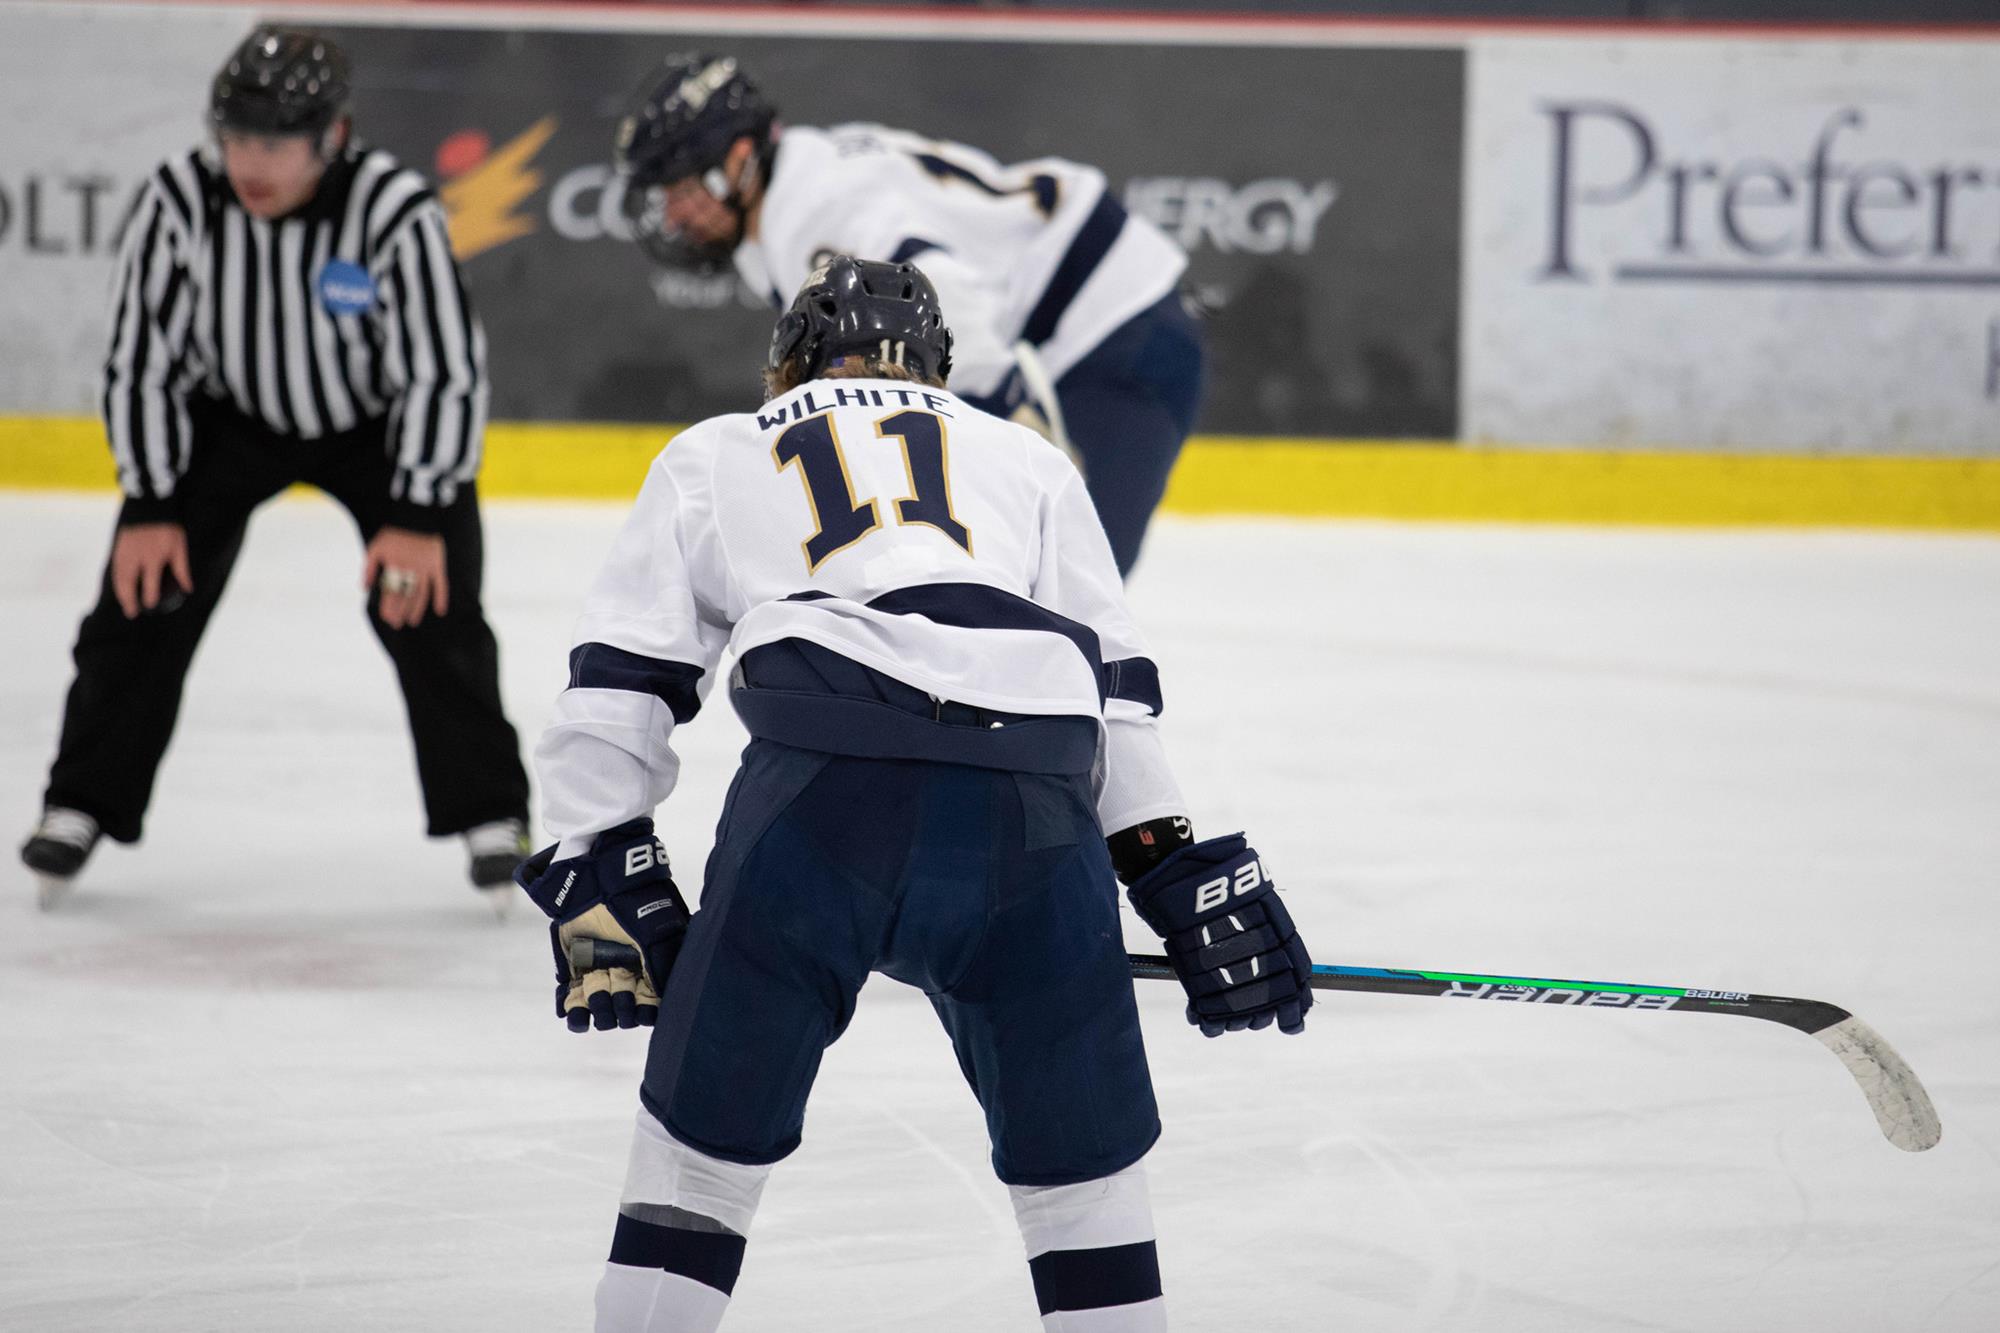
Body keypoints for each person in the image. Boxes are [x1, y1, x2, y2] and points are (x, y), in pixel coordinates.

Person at [514, 256, 1312, 1331]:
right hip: (1028, 820)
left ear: (786, 362)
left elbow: (620, 677)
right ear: (940, 373)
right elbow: (1113, 701)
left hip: (818, 807)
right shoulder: (1026, 459)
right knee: (1085, 1201)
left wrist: (601, 859)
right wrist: (1177, 875)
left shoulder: (720, 447)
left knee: (693, 1176)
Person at [18, 27, 531, 911]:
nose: (250, 163)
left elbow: (443, 369)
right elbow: (142, 358)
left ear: (331, 136)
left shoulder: (394, 210)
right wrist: (150, 500)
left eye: (276, 143)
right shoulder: (181, 198)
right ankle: (80, 800)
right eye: (237, 139)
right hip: (230, 422)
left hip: (376, 429)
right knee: (141, 601)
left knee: (430, 607)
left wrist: (416, 510)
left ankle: (492, 813)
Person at [612, 53, 1205, 577]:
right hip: (1106, 324)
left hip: (1123, 333)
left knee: (1065, 580)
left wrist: (1011, 423)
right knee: (1035, 577)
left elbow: (951, 305)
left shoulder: (812, 216)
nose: (672, 216)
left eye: (680, 190)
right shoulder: (792, 188)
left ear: (738, 160)